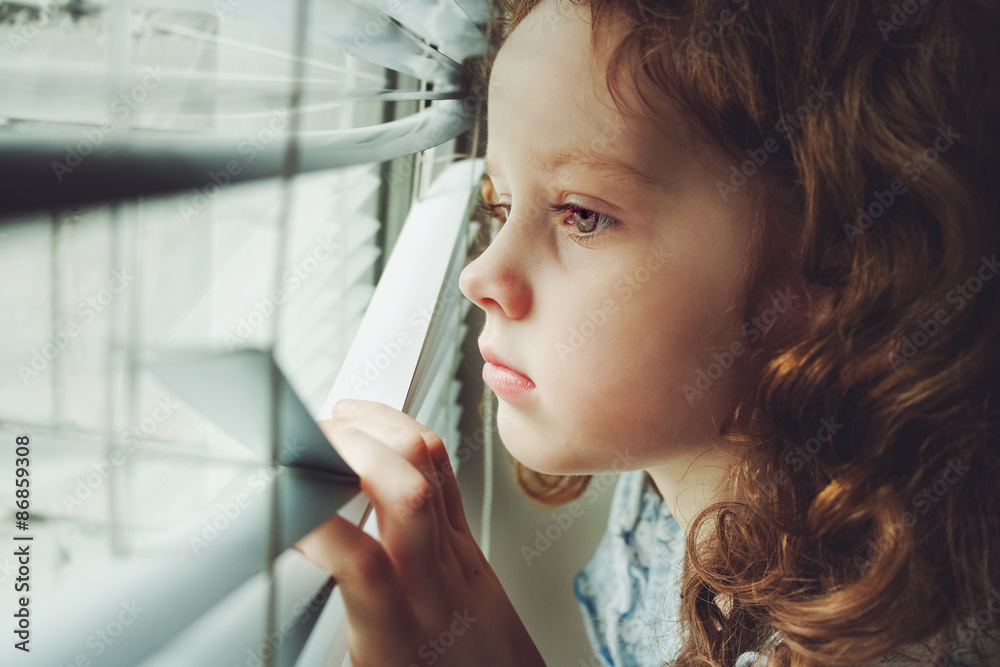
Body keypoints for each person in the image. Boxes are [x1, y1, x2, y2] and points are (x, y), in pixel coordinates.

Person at [295, 0, 1000, 664]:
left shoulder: (903, 642)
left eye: (582, 214)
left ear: (851, 291)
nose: (479, 274)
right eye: (500, 205)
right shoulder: (667, 501)